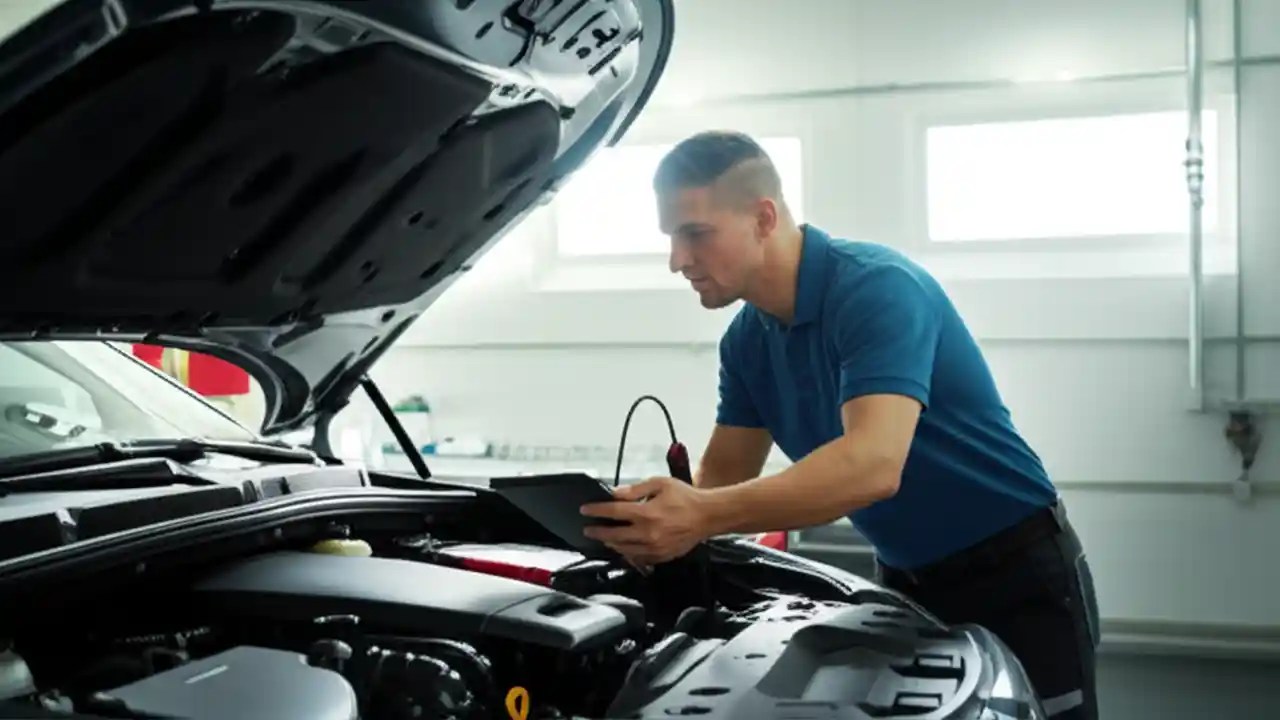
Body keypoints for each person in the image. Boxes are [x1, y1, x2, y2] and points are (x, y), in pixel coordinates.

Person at [579, 130, 1101, 719]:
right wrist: (650, 522)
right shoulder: (746, 341)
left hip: (1017, 572)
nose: (677, 260)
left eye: (695, 233)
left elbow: (872, 467)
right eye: (671, 238)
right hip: (907, 580)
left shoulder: (876, 288)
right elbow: (720, 479)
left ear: (763, 217)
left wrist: (698, 516)